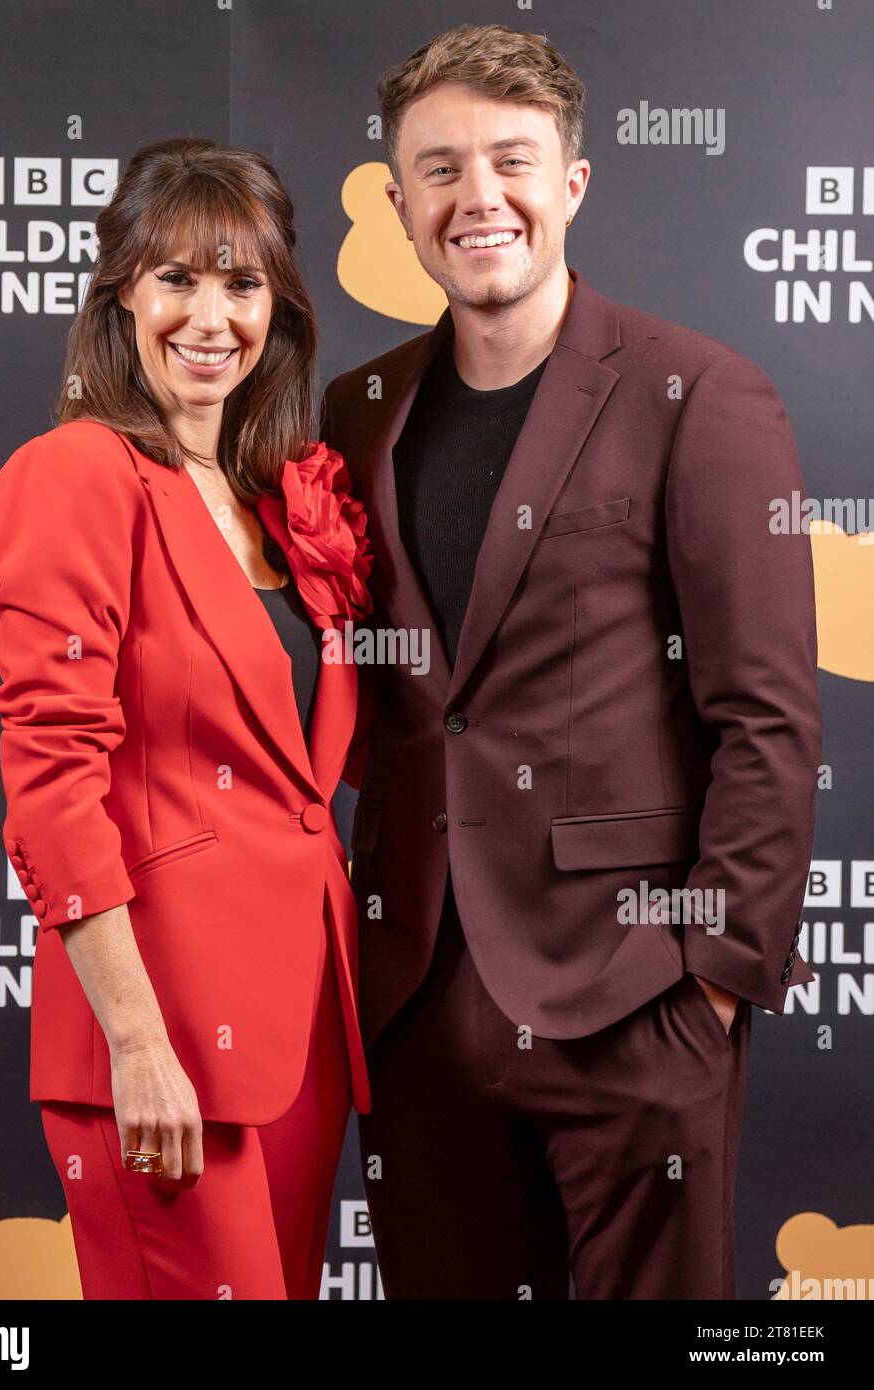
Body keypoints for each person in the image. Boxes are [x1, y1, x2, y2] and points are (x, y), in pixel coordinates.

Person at [321, 24, 822, 1299]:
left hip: (633, 991)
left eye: (510, 161)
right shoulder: (357, 412)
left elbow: (766, 718)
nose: (476, 198)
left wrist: (707, 983)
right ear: (397, 203)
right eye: (438, 170)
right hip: (417, 995)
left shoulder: (698, 393)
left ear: (573, 185)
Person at [0, 136, 374, 1300]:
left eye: (243, 283)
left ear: (279, 306)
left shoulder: (276, 496)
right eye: (179, 278)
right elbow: (53, 780)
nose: (212, 316)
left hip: (296, 1033)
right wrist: (138, 1043)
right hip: (158, 1038)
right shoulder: (79, 473)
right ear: (123, 298)